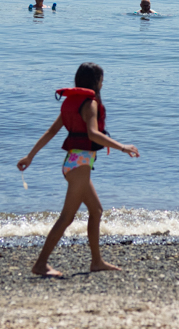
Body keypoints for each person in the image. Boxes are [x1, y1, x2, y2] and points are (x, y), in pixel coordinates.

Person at [17, 62, 140, 277]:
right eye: (102, 79)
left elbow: (51, 131)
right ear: (96, 81)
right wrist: (122, 147)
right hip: (79, 165)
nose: (103, 83)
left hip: (73, 163)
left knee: (96, 211)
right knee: (67, 217)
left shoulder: (70, 102)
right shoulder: (90, 103)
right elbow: (92, 134)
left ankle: (96, 261)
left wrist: (30, 156)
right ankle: (40, 264)